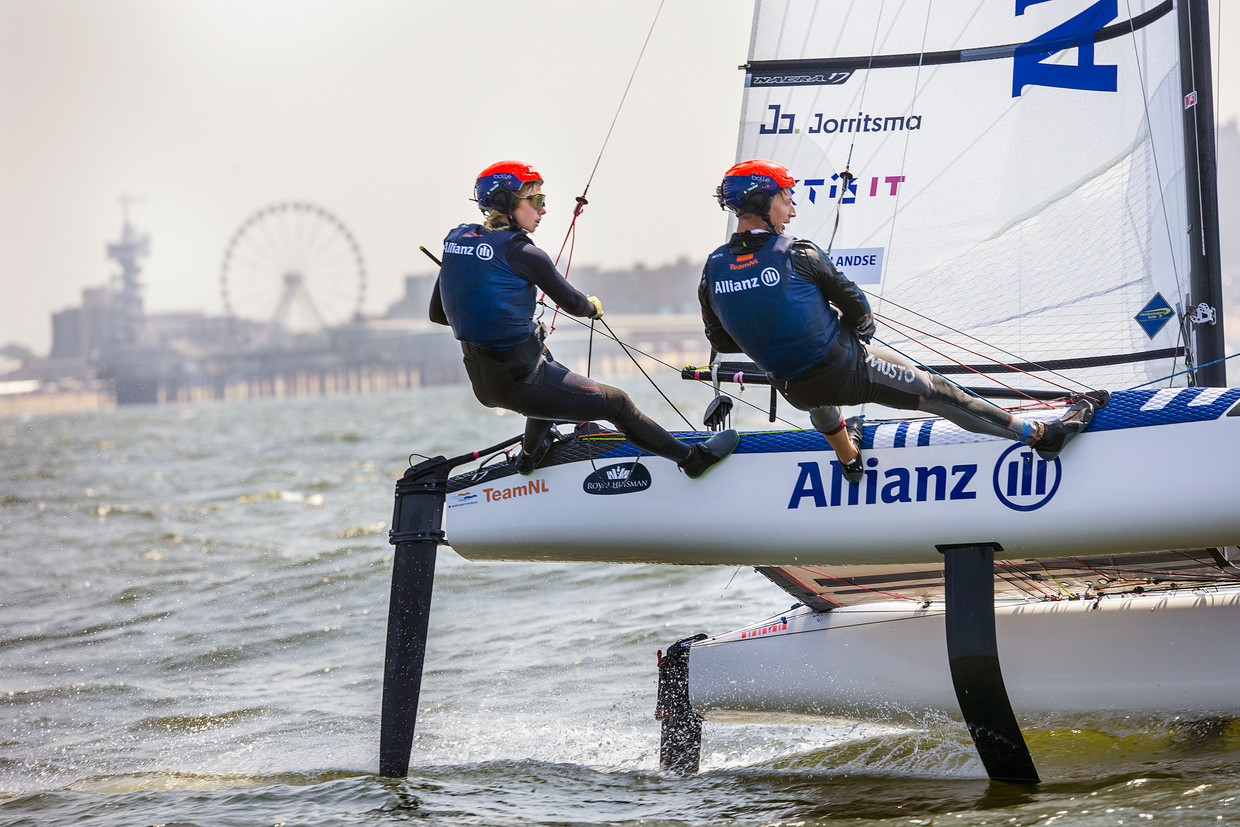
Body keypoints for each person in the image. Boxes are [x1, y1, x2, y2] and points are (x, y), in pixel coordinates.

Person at [698, 159, 1106, 483]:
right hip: (847, 370)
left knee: (811, 389)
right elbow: (857, 306)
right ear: (761, 201)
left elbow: (722, 340)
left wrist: (776, 340)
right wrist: (856, 331)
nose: (792, 208)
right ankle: (1042, 435)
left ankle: (850, 460)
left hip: (792, 389)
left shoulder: (713, 268)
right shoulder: (798, 253)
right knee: (942, 394)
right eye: (787, 197)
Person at [430, 160, 738, 478]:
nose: (543, 210)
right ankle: (693, 460)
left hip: (486, 379)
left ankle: (529, 458)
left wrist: (490, 306)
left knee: (553, 374)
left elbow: (437, 314)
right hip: (519, 382)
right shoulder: (523, 253)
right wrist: (592, 306)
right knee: (617, 403)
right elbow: (575, 304)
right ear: (507, 201)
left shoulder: (457, 240)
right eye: (536, 200)